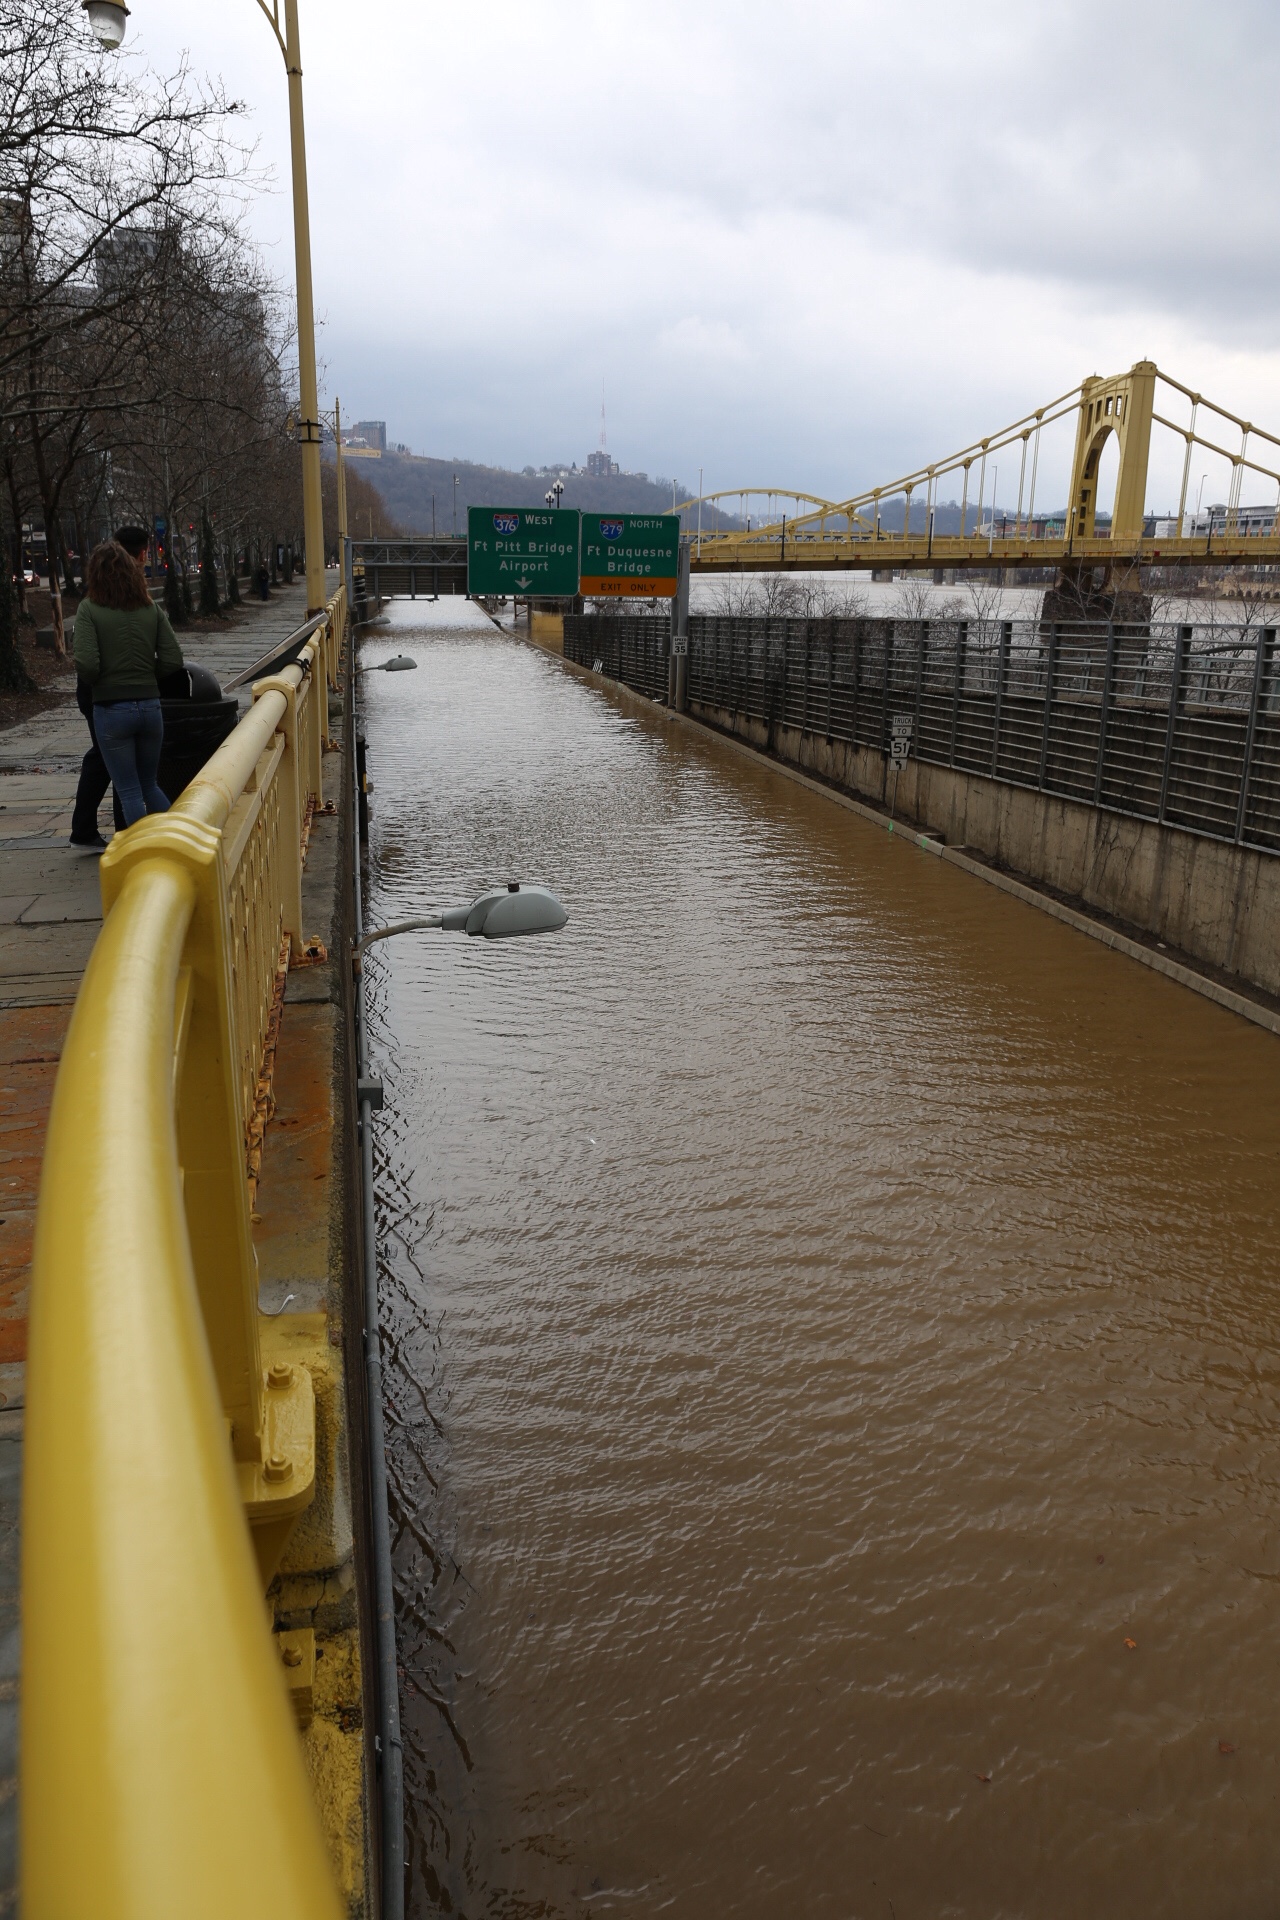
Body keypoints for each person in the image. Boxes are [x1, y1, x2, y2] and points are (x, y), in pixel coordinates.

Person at [72, 540, 183, 828]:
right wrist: (146, 675)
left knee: (130, 791)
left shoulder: (89, 610)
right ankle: (176, 838)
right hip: (150, 708)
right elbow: (172, 658)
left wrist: (105, 680)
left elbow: (87, 664)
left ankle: (142, 856)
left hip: (111, 710)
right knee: (150, 785)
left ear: (94, 575)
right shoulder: (150, 608)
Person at [67, 525, 151, 849]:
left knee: (104, 757)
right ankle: (123, 836)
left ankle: (86, 830)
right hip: (108, 691)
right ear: (141, 553)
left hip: (98, 690)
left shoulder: (102, 589)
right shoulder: (122, 594)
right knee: (117, 758)